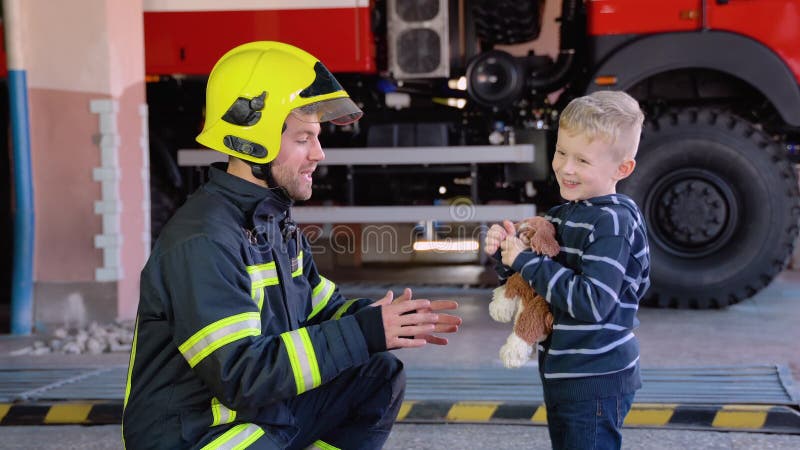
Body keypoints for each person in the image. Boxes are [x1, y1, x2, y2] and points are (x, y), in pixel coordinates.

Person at [123, 41, 461, 450]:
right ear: (252, 142)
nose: (319, 154)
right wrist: (361, 333)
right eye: (304, 138)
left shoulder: (271, 223)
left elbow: (320, 310)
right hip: (199, 434)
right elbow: (242, 377)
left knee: (377, 376)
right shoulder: (204, 240)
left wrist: (383, 319)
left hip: (252, 418)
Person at [485, 90, 650, 450]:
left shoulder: (613, 224)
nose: (566, 167)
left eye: (583, 160)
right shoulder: (563, 214)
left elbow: (592, 303)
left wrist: (526, 261)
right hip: (564, 372)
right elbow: (536, 290)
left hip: (597, 378)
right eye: (561, 152)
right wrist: (506, 256)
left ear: (622, 169)